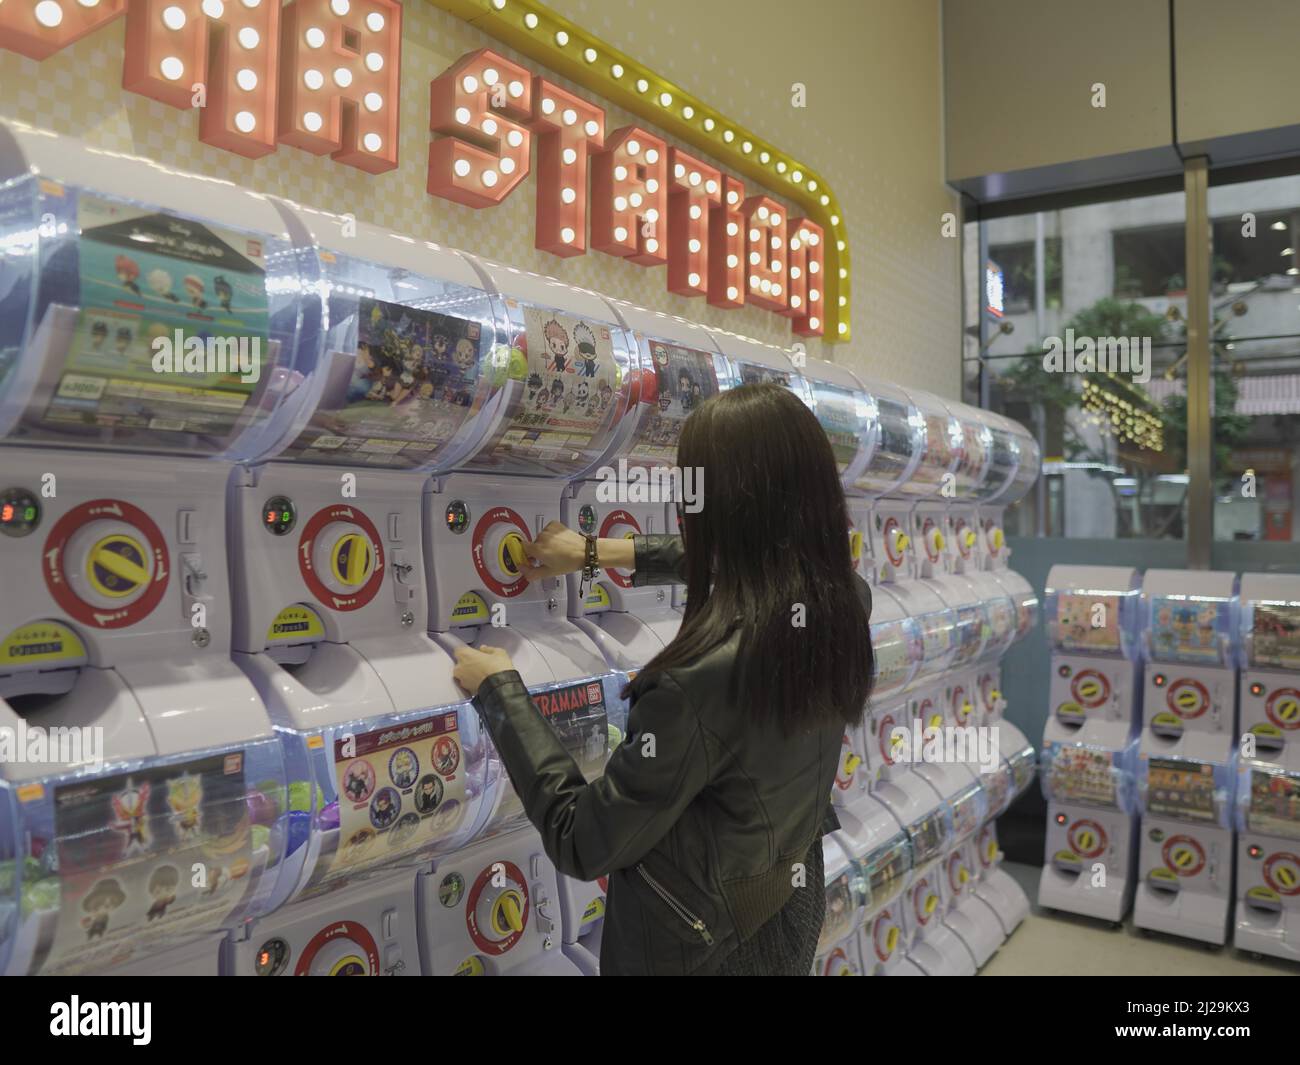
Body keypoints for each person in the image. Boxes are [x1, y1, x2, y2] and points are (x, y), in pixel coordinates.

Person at [452, 383, 874, 975]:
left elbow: (584, 838)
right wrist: (598, 552)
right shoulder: (843, 602)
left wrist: (499, 693)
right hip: (783, 904)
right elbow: (740, 559)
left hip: (700, 950)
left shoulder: (697, 683)